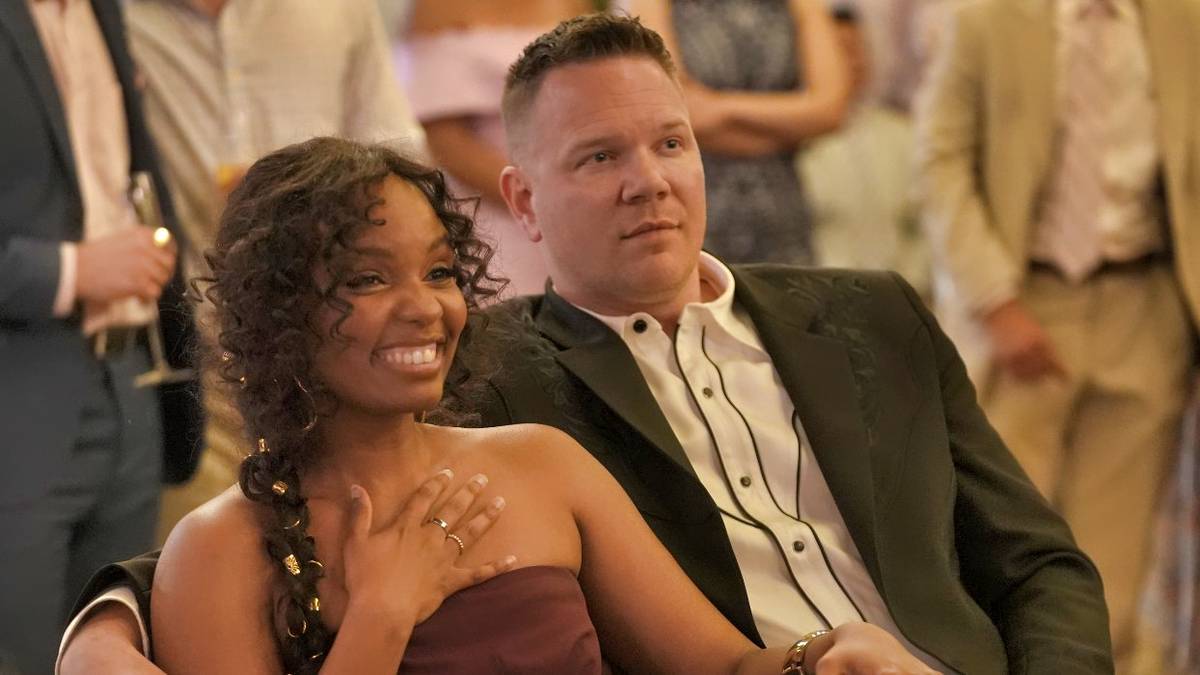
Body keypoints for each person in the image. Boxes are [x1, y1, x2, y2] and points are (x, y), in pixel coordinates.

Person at [60, 13, 1111, 675]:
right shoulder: (497, 374)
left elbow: (1039, 563)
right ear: (522, 200)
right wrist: (100, 625)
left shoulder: (875, 313)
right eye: (599, 156)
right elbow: (302, 504)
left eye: (670, 143)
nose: (648, 181)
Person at [141, 137, 940, 674]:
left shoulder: (540, 463)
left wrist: (825, 654)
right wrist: (383, 615)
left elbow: (727, 665)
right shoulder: (216, 551)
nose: (426, 308)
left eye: (440, 272)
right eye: (368, 279)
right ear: (275, 315)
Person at [914, 0, 1200, 668]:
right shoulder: (985, 19)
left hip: (1145, 301)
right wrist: (993, 300)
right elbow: (940, 162)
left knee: (1114, 563)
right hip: (1022, 299)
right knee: (999, 550)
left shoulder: (1183, 19)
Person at [123, 0, 427, 540]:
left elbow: (400, 159)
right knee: (204, 556)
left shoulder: (335, 11)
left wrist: (311, 203)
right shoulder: (114, 17)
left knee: (345, 545)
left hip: (329, 352)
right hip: (185, 355)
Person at [0, 0, 202, 672]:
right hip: (19, 396)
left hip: (131, 384)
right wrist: (69, 271)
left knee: (115, 651)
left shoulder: (102, 9)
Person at [396, 0, 593, 296]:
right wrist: (540, 199)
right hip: (495, 209)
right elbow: (446, 140)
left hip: (578, 204)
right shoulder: (439, 8)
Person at [632, 0, 850, 265]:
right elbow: (669, 108)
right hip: (694, 205)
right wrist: (788, 126)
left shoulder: (802, 5)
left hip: (783, 212)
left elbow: (830, 109)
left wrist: (719, 109)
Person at [796, 4, 930, 297]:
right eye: (839, 50)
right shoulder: (795, 143)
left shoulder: (905, 136)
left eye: (857, 49)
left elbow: (926, 226)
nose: (853, 61)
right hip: (816, 298)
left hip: (902, 297)